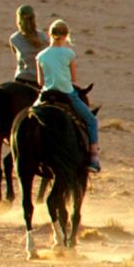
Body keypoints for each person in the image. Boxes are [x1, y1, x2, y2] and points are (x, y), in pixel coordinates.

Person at [34, 19, 100, 172]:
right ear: (66, 36)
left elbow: (40, 81)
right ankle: (94, 159)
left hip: (46, 95)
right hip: (67, 94)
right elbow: (73, 78)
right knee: (91, 120)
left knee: (29, 117)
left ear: (50, 35)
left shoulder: (40, 55)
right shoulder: (69, 54)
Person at [8, 5, 49, 87]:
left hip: (22, 77)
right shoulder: (43, 37)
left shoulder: (14, 39)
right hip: (39, 78)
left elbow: (15, 53)